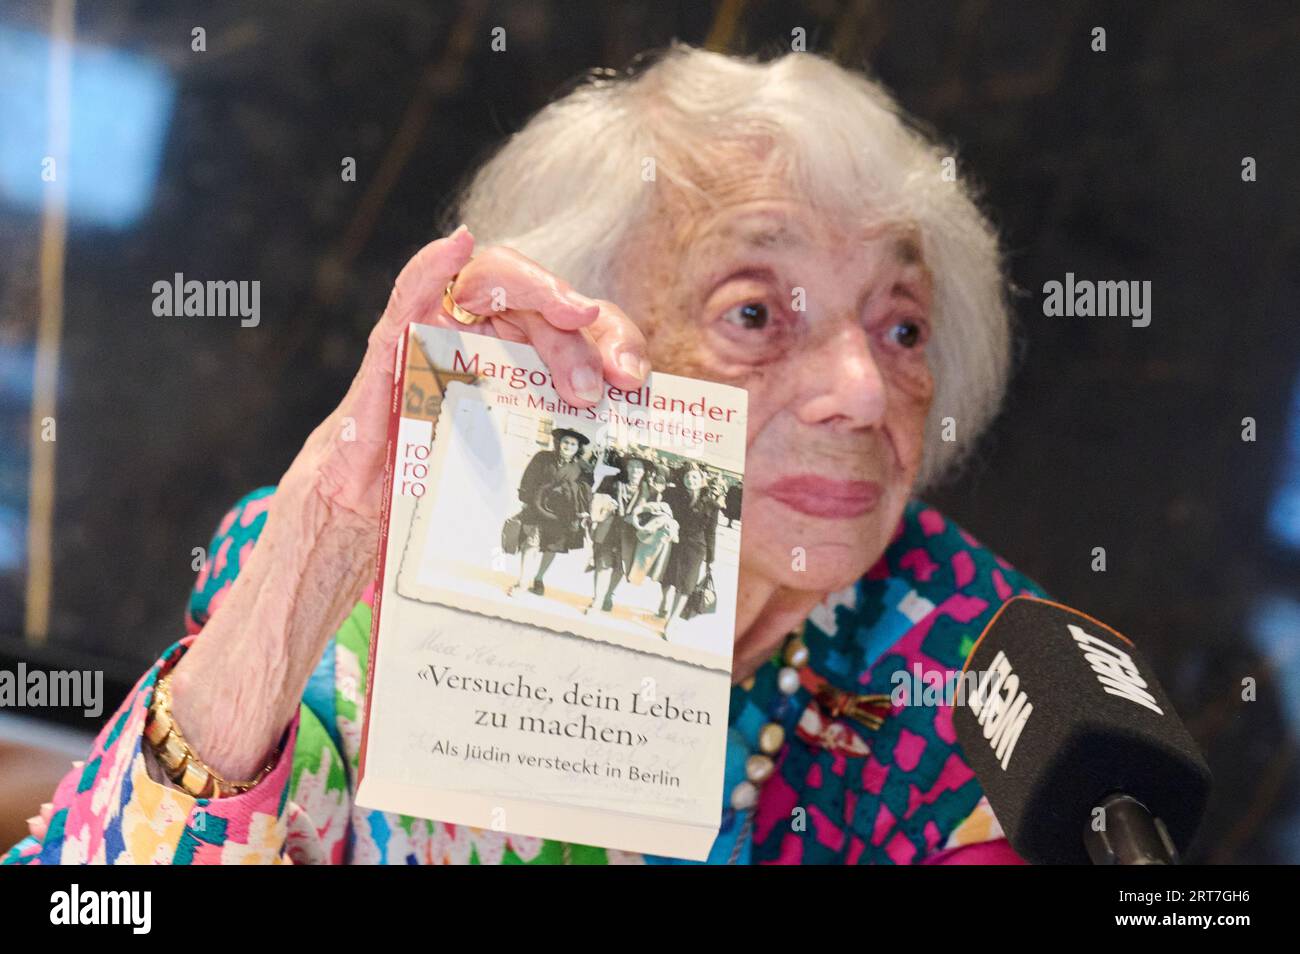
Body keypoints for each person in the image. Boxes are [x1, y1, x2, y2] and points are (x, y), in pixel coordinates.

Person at [7, 43, 1045, 866]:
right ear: (577, 341)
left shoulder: (983, 670)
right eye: (756, 313)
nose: (862, 393)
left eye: (901, 327)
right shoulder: (353, 596)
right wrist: (320, 535)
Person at [508, 428, 591, 598]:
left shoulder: (583, 467)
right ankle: (523, 582)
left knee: (552, 547)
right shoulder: (543, 458)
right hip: (537, 506)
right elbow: (529, 478)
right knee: (531, 542)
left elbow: (586, 491)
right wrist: (526, 500)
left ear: (578, 447)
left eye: (573, 444)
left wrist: (571, 495)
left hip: (562, 513)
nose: (568, 446)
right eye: (565, 442)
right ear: (558, 442)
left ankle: (539, 579)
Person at [657, 462, 722, 635]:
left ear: (702, 480)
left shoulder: (712, 505)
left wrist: (711, 559)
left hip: (695, 548)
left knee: (686, 585)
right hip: (674, 543)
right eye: (687, 477)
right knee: (667, 578)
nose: (690, 480)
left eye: (694, 477)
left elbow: (711, 533)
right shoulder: (673, 495)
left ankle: (671, 622)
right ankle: (664, 601)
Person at [588, 455, 656, 614]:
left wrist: (640, 518)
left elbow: (653, 513)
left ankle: (608, 594)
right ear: (625, 468)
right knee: (602, 563)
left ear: (644, 471)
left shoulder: (650, 491)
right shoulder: (611, 480)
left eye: (638, 467)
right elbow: (595, 497)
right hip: (608, 529)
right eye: (631, 466)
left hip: (631, 534)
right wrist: (606, 501)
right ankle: (597, 599)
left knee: (620, 566)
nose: (634, 470)